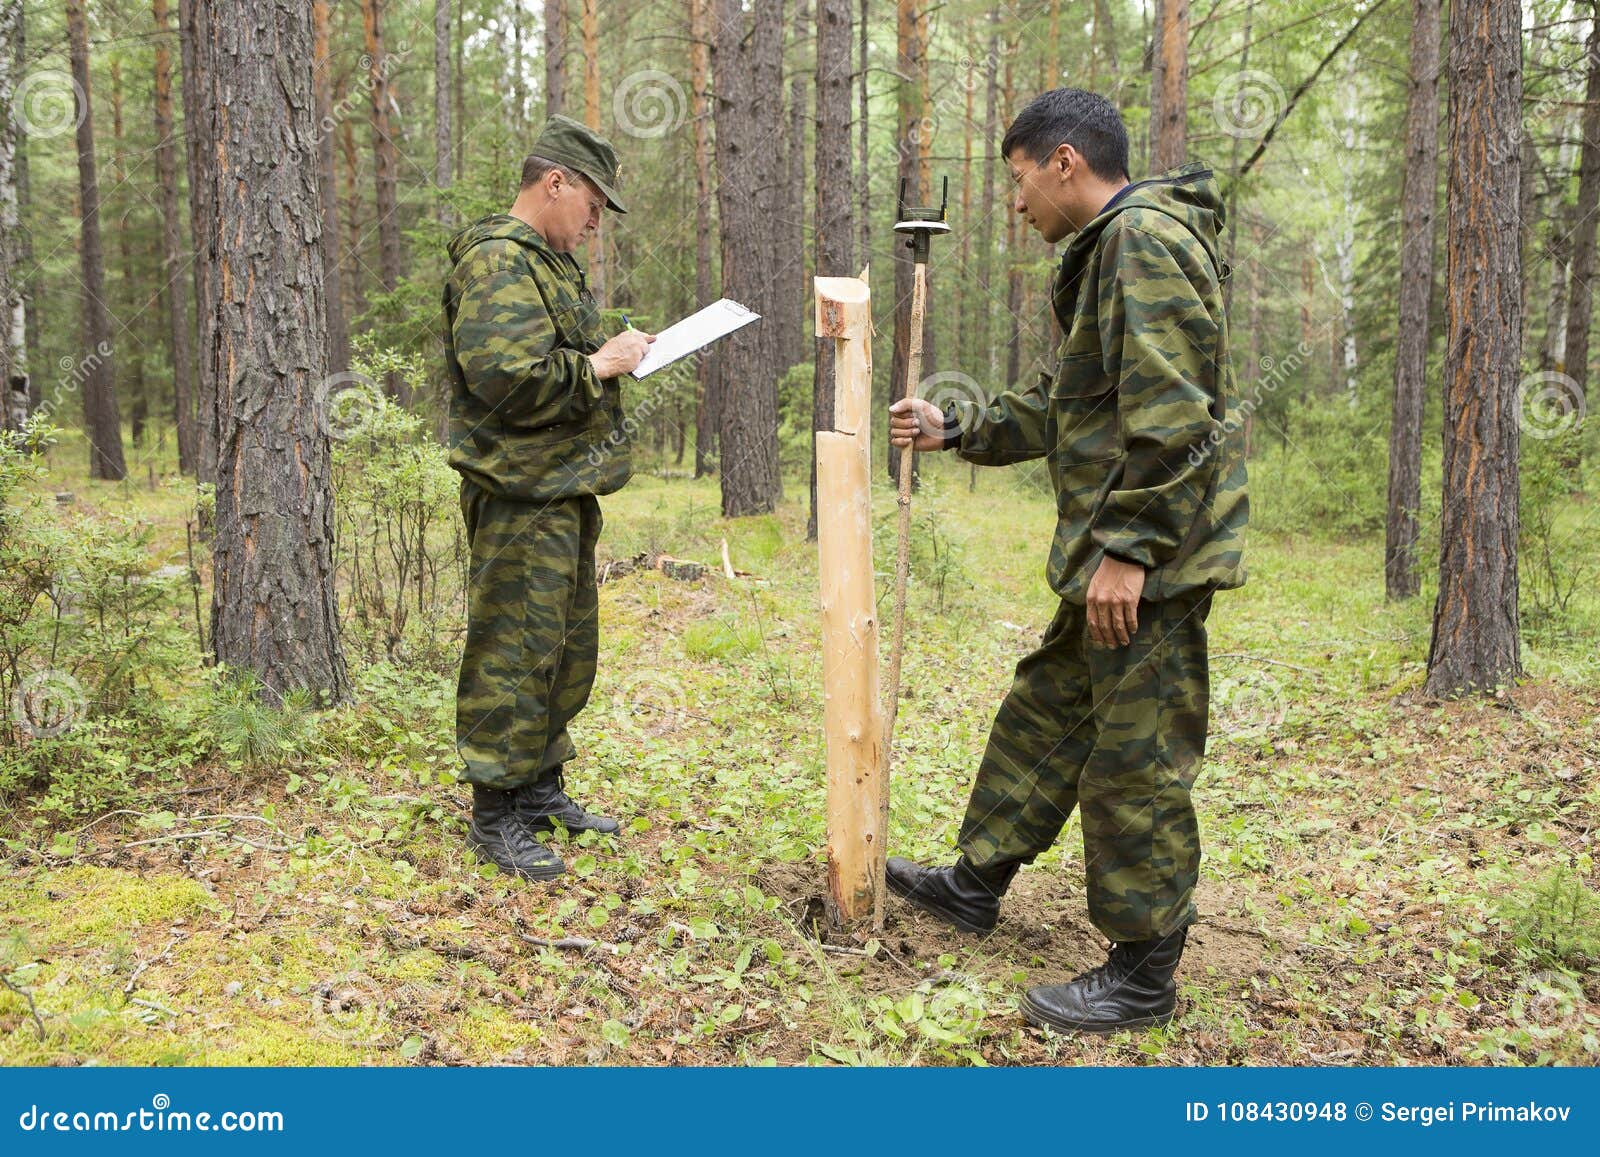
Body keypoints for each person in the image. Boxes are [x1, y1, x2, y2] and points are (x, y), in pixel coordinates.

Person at [887, 88, 1248, 1033]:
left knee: (1134, 762)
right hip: (1109, 550)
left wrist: (1128, 552)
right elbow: (1068, 402)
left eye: (1018, 180)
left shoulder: (1144, 243)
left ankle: (1142, 971)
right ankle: (975, 881)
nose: (1016, 204)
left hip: (1148, 561)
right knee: (1046, 711)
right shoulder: (1109, 253)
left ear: (1063, 164)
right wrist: (956, 424)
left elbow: (1176, 417)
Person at [442, 115, 655, 881]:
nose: (596, 220)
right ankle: (494, 811)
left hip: (561, 485)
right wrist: (600, 365)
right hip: (519, 491)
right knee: (513, 650)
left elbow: (565, 347)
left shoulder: (549, 264)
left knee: (561, 650)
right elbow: (507, 382)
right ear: (554, 182)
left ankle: (537, 788)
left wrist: (618, 351)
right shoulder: (500, 260)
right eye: (593, 203)